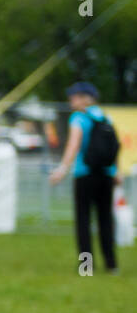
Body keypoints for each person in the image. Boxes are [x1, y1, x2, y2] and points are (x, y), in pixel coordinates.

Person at [50, 81, 119, 274]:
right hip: (106, 175)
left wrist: (62, 169)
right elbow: (114, 147)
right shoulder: (106, 118)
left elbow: (73, 145)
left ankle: (86, 266)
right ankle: (112, 264)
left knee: (83, 221)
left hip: (84, 174)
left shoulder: (78, 118)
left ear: (84, 98)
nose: (70, 99)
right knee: (105, 220)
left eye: (74, 96)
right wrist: (116, 172)